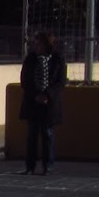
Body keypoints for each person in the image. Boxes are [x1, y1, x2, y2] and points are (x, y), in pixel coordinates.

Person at [19, 32, 67, 175]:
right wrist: (36, 95)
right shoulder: (31, 59)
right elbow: (25, 80)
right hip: (33, 102)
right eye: (36, 44)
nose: (37, 46)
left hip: (49, 103)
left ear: (47, 45)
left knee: (47, 133)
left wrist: (47, 95)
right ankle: (30, 166)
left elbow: (61, 82)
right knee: (32, 134)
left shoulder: (58, 60)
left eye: (39, 44)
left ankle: (48, 165)